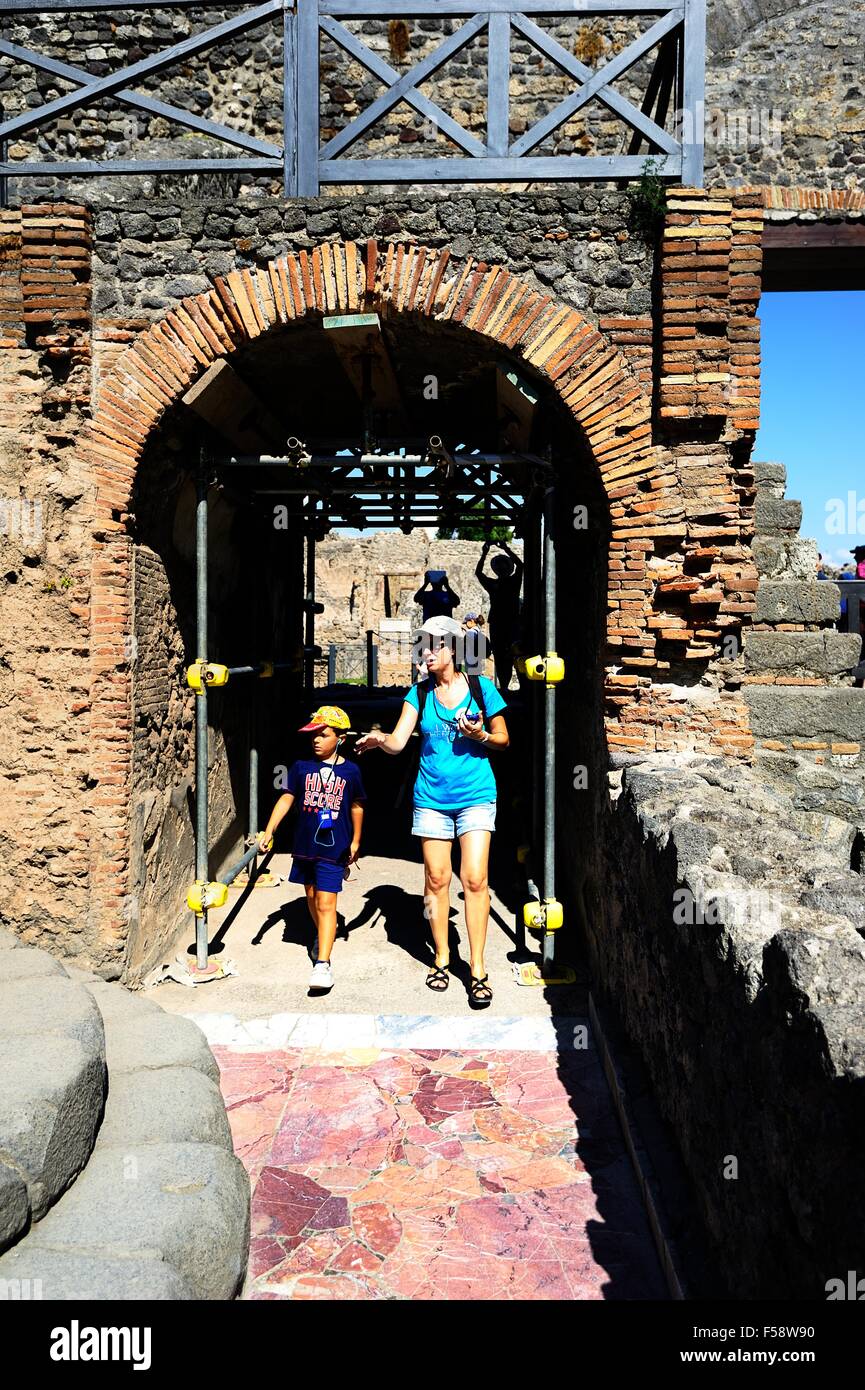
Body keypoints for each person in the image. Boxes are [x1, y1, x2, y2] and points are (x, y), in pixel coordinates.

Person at [355, 615, 509, 1008]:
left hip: (475, 794)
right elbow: (398, 742)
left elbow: (503, 740)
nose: (425, 651)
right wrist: (379, 740)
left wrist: (481, 735)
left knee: (475, 879)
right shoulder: (418, 695)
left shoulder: (482, 688)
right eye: (421, 644)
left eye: (433, 644)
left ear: (453, 649)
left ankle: (476, 968)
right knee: (436, 880)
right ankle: (441, 956)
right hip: (431, 801)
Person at [258, 705, 365, 994]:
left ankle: (323, 963)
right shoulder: (301, 768)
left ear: (340, 738)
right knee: (311, 897)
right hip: (305, 846)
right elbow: (286, 799)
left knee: (327, 903)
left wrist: (356, 841)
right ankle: (323, 932)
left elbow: (356, 806)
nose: (316, 740)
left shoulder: (351, 772)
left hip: (335, 848)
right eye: (313, 735)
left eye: (324, 734)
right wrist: (269, 830)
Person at [475, 540, 524, 691]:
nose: (502, 568)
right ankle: (505, 687)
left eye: (503, 565)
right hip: (503, 623)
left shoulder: (507, 583)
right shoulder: (500, 584)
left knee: (512, 654)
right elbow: (479, 573)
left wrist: (500, 550)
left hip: (508, 622)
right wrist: (492, 551)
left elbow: (521, 566)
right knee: (504, 655)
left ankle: (511, 687)